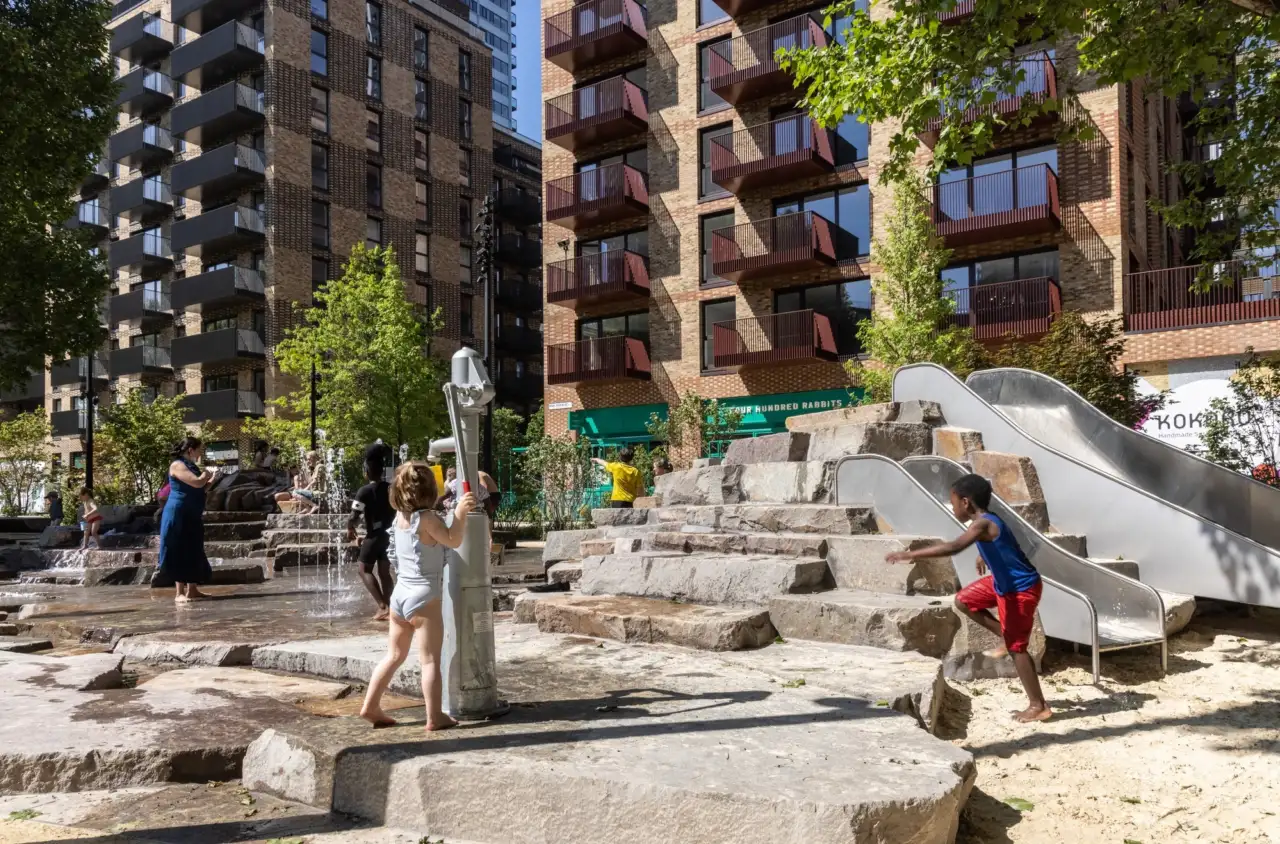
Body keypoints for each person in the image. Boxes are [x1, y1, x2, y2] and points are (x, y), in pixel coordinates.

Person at [885, 473, 1050, 723]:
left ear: (965, 502)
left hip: (1020, 589)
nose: (952, 508)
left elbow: (954, 546)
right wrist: (985, 555)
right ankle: (1007, 637)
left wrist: (910, 554)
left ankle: (1039, 705)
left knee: (1018, 649)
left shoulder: (982, 524)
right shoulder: (986, 523)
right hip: (1002, 584)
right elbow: (1003, 544)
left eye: (953, 503)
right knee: (964, 601)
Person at [360, 461, 475, 731]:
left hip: (400, 596)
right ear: (429, 491)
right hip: (424, 597)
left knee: (393, 656)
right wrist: (460, 512)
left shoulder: (400, 518)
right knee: (430, 660)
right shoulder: (428, 519)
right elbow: (453, 539)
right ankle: (435, 716)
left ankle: (371, 705)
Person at [155, 436, 219, 603]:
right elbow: (197, 483)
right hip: (179, 512)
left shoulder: (191, 466)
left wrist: (212, 480)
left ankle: (193, 590)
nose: (201, 453)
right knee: (179, 548)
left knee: (194, 547)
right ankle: (179, 593)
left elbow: (201, 488)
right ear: (190, 449)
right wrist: (205, 474)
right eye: (199, 449)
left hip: (192, 512)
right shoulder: (177, 465)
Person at [348, 452, 395, 621]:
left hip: (374, 535)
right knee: (384, 572)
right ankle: (390, 607)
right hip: (389, 535)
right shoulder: (390, 488)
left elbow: (355, 514)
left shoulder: (364, 491)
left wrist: (349, 528)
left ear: (367, 471)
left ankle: (382, 607)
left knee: (363, 569)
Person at [275, 450, 325, 515]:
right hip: (314, 491)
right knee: (298, 492)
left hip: (319, 492)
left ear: (314, 458)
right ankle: (308, 508)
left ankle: (314, 505)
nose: (308, 461)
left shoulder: (319, 466)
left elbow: (314, 481)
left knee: (295, 492)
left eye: (309, 459)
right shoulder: (316, 468)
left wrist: (305, 489)